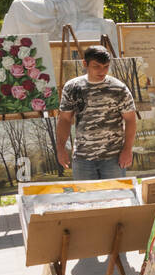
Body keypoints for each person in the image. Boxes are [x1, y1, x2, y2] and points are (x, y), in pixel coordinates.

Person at [56, 45, 138, 179]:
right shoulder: (72, 88)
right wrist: (60, 149)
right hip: (83, 158)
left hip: (113, 158)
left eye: (106, 66)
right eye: (96, 66)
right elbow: (64, 119)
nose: (102, 71)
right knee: (85, 198)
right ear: (85, 64)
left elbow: (130, 120)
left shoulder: (119, 89)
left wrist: (127, 149)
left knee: (116, 198)